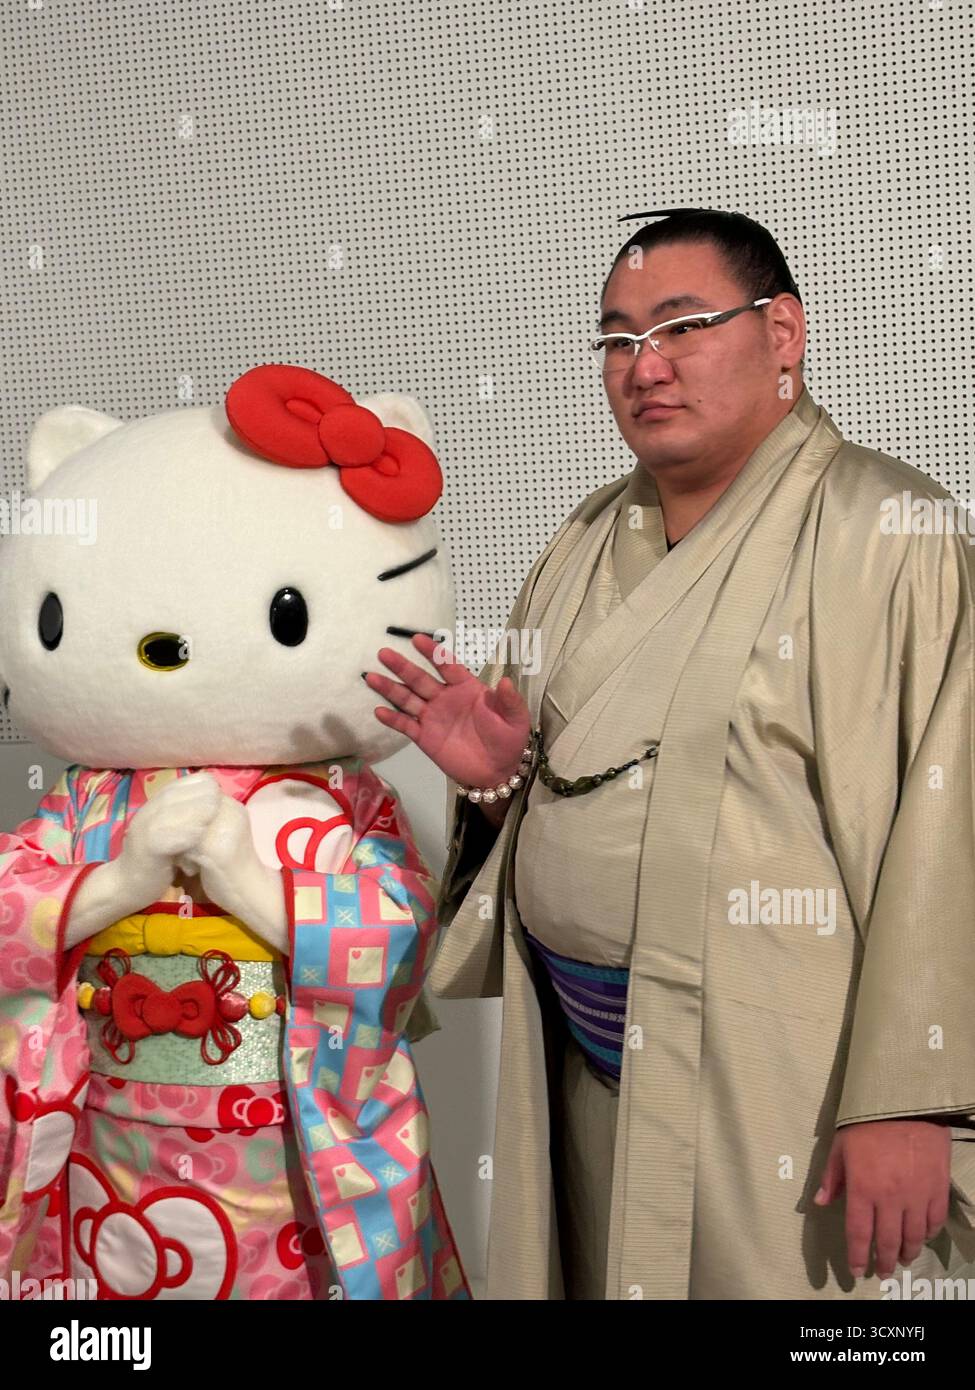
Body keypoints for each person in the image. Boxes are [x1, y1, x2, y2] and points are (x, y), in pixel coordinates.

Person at [362, 208, 975, 1299]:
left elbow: (951, 824)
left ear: (783, 332)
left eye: (682, 326)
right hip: (580, 1061)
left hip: (775, 1066)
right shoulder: (589, 538)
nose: (645, 366)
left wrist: (908, 1095)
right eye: (617, 340)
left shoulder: (893, 534)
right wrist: (503, 785)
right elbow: (583, 796)